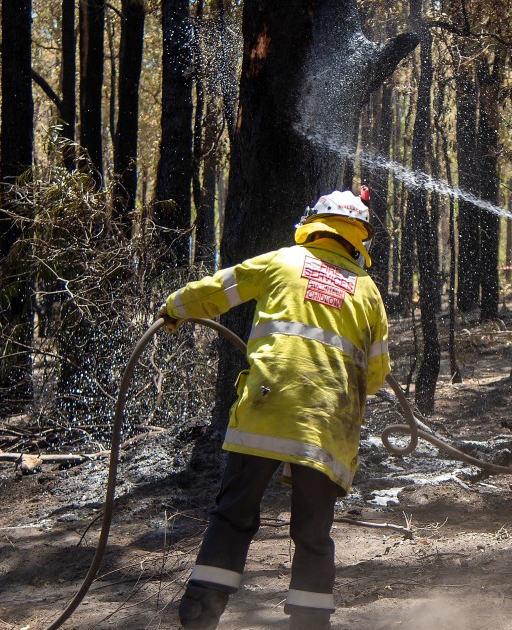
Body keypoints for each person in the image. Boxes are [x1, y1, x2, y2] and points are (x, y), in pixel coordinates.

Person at [158, 189, 390, 630]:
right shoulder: (369, 293)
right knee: (313, 534)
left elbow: (217, 290)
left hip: (266, 409)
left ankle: (200, 610)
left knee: (234, 513)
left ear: (313, 225)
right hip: (328, 425)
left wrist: (174, 308)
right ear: (359, 239)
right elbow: (377, 376)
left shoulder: (280, 261)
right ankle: (310, 622)